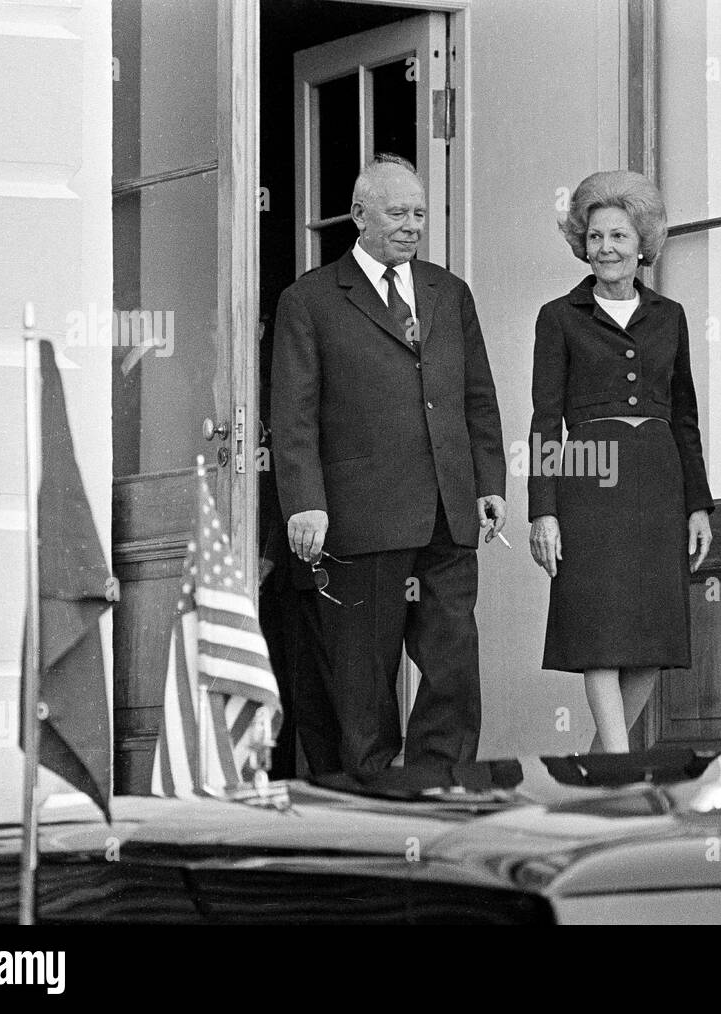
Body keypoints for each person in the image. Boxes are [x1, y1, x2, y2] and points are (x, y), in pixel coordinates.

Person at [271, 154, 506, 778]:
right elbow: (293, 416)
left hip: (446, 514)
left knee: (454, 664)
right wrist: (304, 501)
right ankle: (370, 803)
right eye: (398, 213)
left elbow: (476, 396)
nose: (412, 225)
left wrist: (490, 483)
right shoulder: (311, 300)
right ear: (359, 216)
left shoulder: (448, 292)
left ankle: (437, 784)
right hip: (358, 519)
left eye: (420, 213)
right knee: (361, 683)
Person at [529, 170, 713, 753]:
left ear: (643, 244)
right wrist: (543, 510)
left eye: (619, 237)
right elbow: (544, 419)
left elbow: (685, 416)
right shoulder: (558, 316)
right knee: (599, 633)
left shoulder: (671, 315)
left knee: (652, 641)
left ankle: (599, 761)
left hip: (658, 485)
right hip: (588, 484)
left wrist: (699, 505)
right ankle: (618, 760)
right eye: (595, 236)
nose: (606, 248)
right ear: (582, 243)